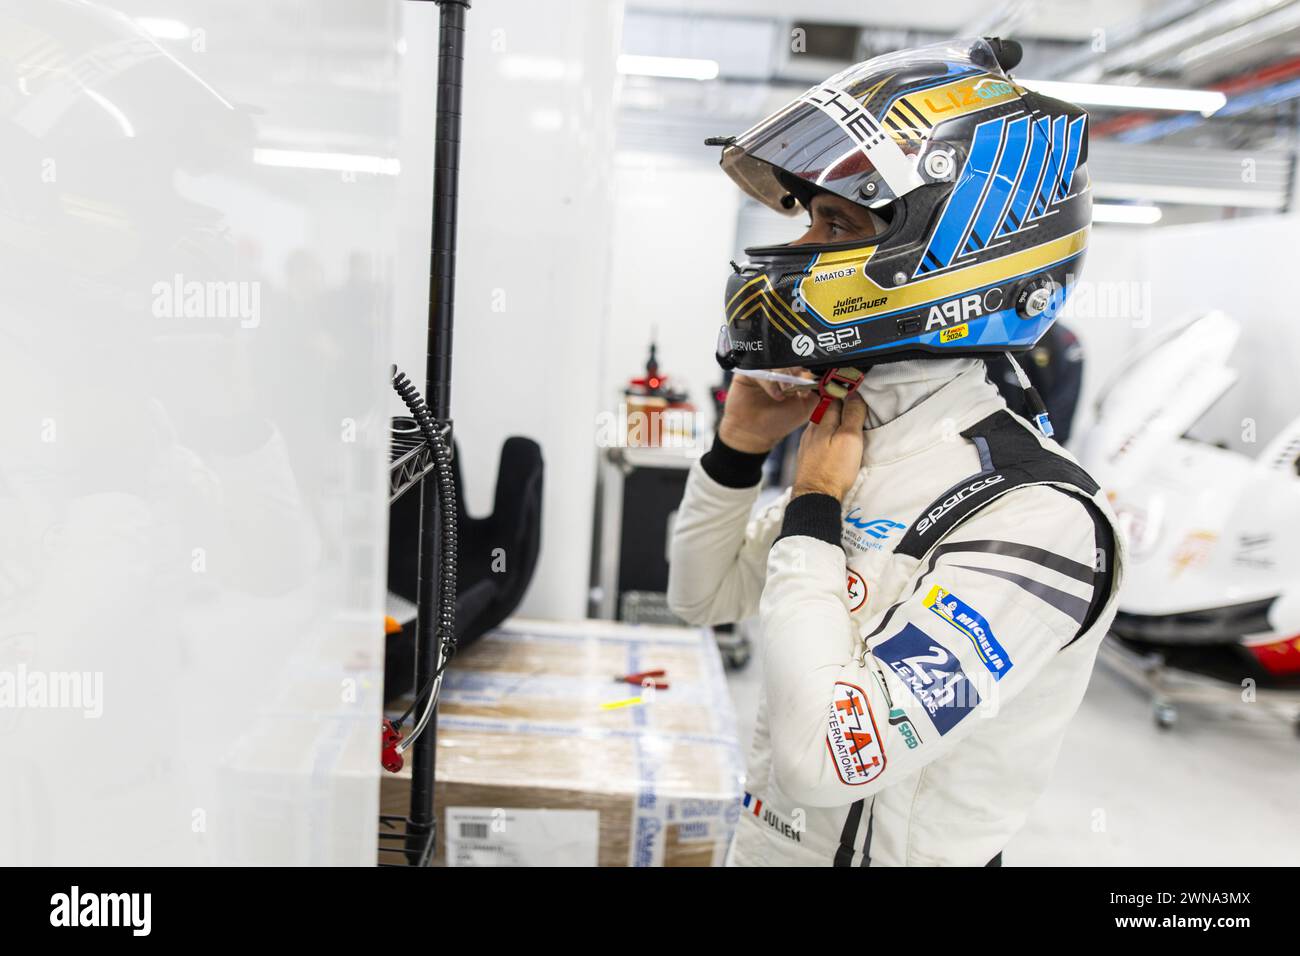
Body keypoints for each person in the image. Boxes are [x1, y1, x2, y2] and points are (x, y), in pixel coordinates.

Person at [668, 37, 1125, 866]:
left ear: (961, 253)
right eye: (810, 218)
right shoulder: (862, 431)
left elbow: (827, 759)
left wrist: (811, 513)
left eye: (837, 221)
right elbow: (700, 599)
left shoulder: (1042, 518)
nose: (806, 248)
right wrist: (735, 453)